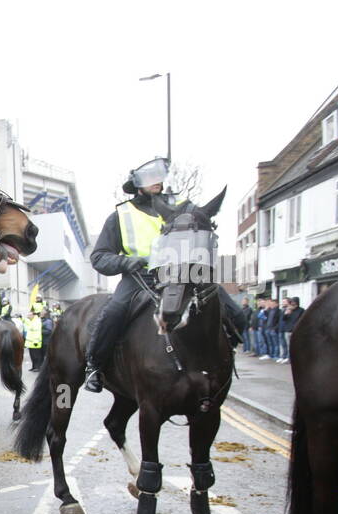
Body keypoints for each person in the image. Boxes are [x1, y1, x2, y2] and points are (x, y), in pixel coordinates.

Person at [83, 157, 240, 392]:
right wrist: (126, 261)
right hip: (139, 278)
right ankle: (94, 366)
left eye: (158, 177)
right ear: (136, 184)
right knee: (114, 311)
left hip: (182, 274)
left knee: (233, 311)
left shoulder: (183, 206)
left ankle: (224, 358)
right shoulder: (121, 215)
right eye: (149, 178)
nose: (156, 182)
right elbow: (99, 257)